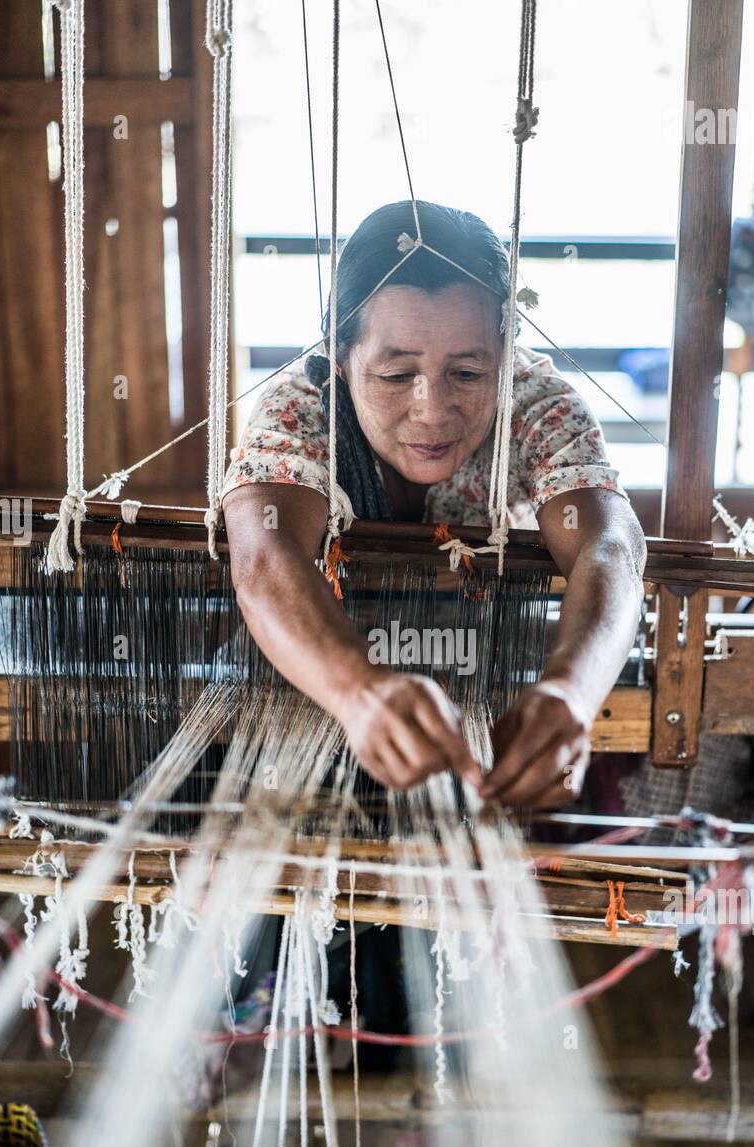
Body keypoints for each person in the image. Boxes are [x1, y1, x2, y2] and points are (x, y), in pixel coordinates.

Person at [223, 200, 646, 808]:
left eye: (468, 374)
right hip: (322, 678)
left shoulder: (535, 405)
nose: (432, 409)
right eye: (396, 377)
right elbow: (263, 558)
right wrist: (357, 693)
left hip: (486, 667)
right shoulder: (302, 408)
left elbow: (610, 547)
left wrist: (571, 693)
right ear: (340, 361)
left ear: (505, 359)